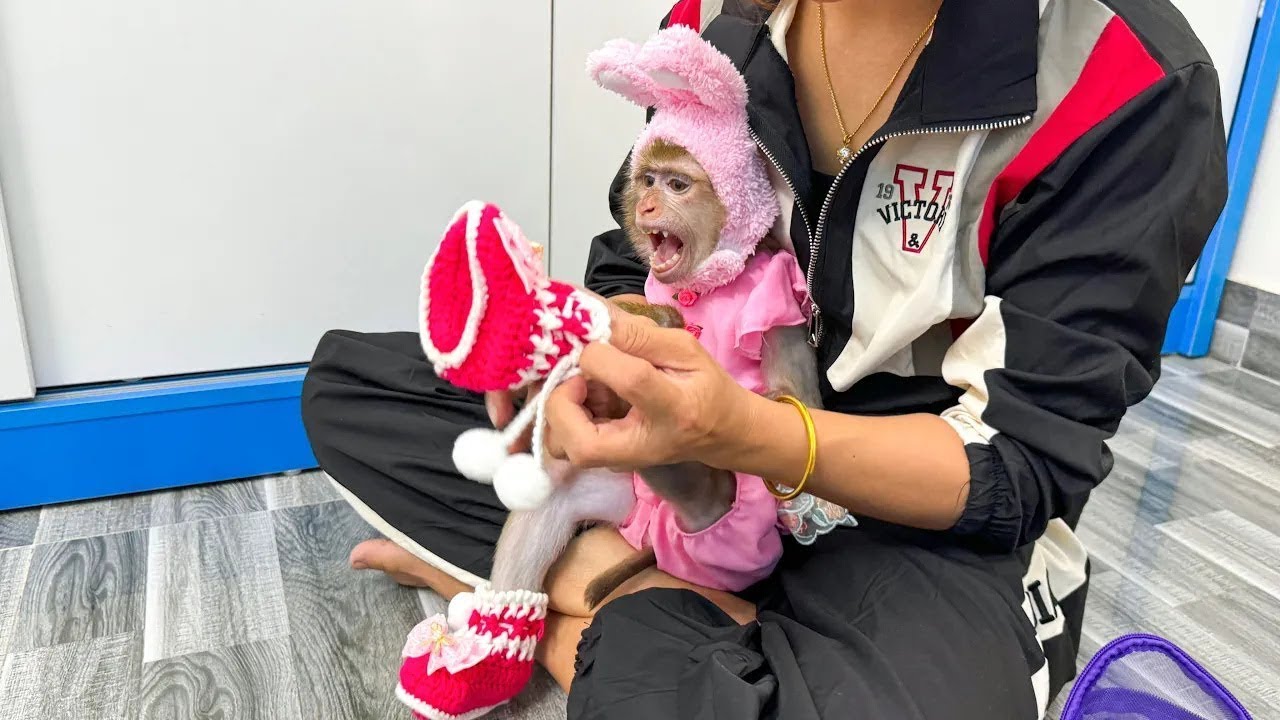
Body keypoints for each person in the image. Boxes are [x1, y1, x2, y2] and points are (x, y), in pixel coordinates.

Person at [300, 0, 1228, 717]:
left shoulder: (1128, 82)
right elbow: (633, 259)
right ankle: (686, 626)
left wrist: (750, 435)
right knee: (350, 387)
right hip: (683, 460)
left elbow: (1020, 466)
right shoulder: (716, 25)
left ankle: (545, 605)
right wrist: (582, 355)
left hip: (907, 508)